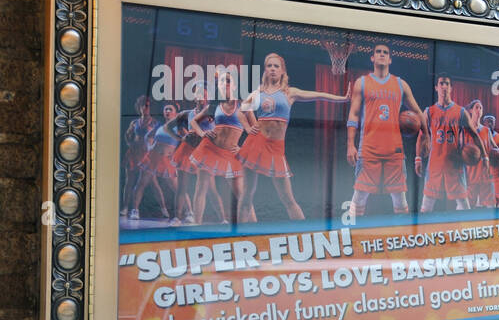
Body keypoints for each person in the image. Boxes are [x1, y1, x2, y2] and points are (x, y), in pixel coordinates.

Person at [237, 51, 352, 222]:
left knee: (288, 199)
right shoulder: (258, 93)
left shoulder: (289, 92)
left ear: (283, 70)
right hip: (255, 144)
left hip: (276, 148)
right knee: (246, 195)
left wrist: (342, 99)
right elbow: (241, 111)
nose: (273, 69)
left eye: (276, 66)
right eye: (269, 66)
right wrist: (248, 127)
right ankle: (238, 234)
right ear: (265, 70)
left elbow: (318, 95)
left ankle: (303, 234)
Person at [346, 44, 427, 216]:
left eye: (385, 53)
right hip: (368, 148)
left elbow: (419, 112)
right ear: (372, 58)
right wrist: (350, 145)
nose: (382, 55)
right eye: (378, 52)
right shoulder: (362, 83)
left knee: (400, 198)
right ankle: (353, 236)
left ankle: (403, 237)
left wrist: (427, 135)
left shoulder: (400, 84)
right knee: (359, 195)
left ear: (390, 59)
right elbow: (353, 115)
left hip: (394, 149)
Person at [416, 75, 490, 212]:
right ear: (436, 87)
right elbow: (421, 136)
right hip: (435, 165)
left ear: (451, 88)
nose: (444, 86)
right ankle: (424, 233)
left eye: (447, 84)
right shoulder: (429, 111)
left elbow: (474, 134)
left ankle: (464, 232)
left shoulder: (460, 111)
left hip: (455, 164)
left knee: (464, 205)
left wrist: (485, 156)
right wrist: (418, 158)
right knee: (426, 207)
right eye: (441, 83)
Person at [190, 77, 256, 224]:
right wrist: (202, 133)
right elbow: (193, 121)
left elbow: (257, 132)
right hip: (209, 149)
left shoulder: (244, 105)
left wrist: (244, 149)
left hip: (231, 154)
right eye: (220, 81)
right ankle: (196, 226)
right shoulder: (215, 105)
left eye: (227, 81)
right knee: (201, 187)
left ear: (234, 85)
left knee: (242, 194)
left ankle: (255, 229)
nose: (223, 84)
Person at [129, 101, 181, 223]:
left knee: (178, 188)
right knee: (141, 183)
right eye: (165, 109)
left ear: (176, 113)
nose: (167, 111)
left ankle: (188, 212)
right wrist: (149, 146)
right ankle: (135, 210)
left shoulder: (179, 126)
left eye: (170, 109)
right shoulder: (159, 126)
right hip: (153, 157)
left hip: (168, 160)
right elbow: (148, 136)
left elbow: (184, 142)